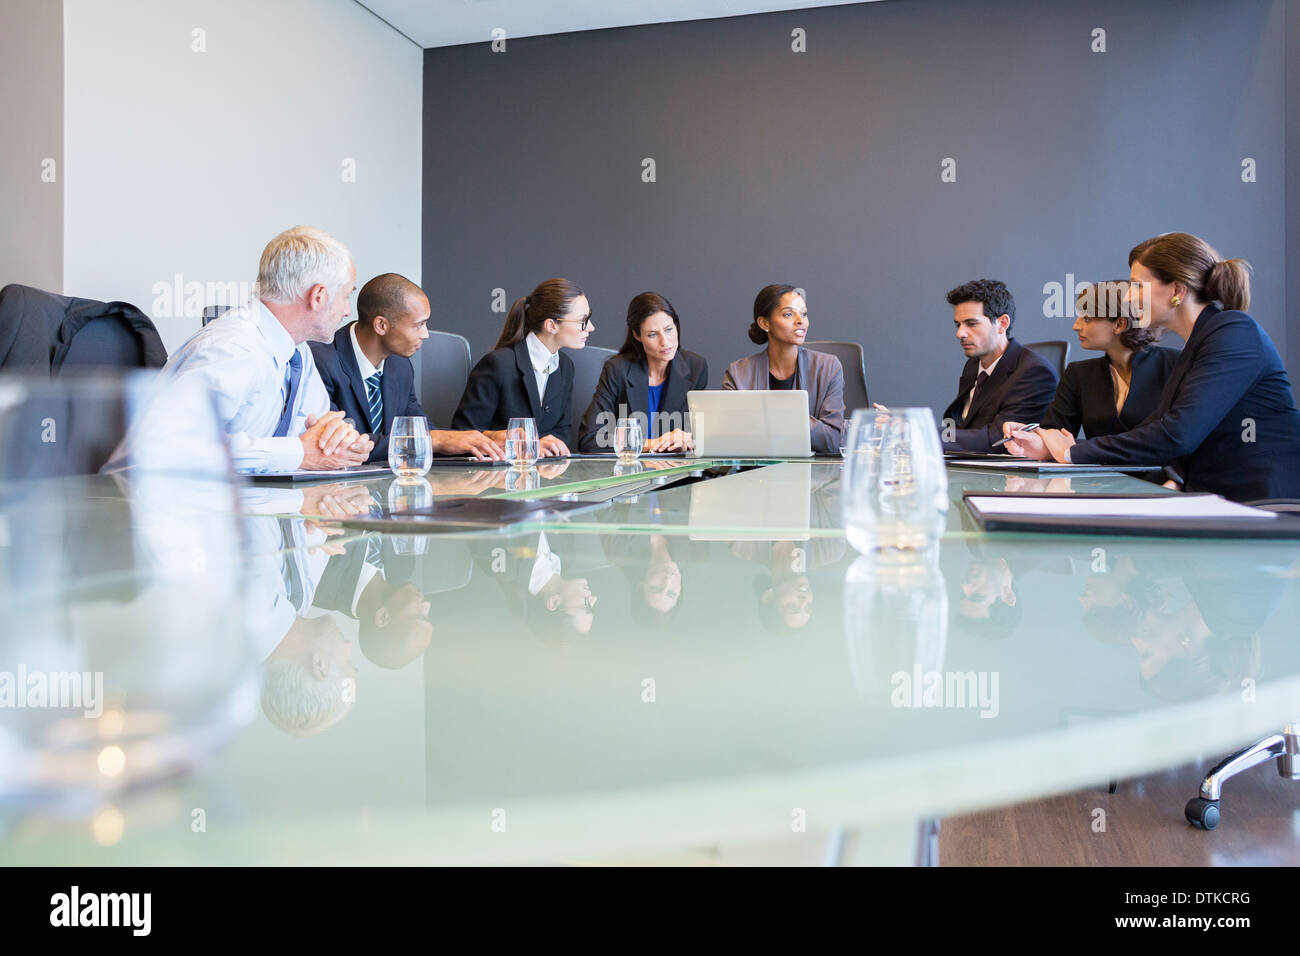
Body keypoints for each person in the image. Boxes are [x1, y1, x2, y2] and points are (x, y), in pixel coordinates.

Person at [1006, 233, 1300, 502]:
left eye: (1136, 285)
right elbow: (1154, 426)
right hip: (1217, 502)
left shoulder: (1234, 330)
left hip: (1260, 506)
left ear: (1177, 289)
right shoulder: (1199, 344)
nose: (1129, 298)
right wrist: (1047, 447)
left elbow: (1176, 434)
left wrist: (1070, 451)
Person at [145, 226, 374, 473]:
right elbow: (170, 445)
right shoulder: (233, 348)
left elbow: (314, 430)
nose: (347, 312)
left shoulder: (298, 352)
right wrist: (298, 453)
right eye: (345, 296)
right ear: (318, 296)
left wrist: (338, 443)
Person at [309, 273, 503, 462]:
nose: (425, 334)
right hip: (335, 491)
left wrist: (485, 438)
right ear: (381, 325)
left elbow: (419, 428)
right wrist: (432, 440)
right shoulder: (320, 361)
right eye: (419, 325)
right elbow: (342, 443)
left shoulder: (399, 366)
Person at [452, 278, 590, 457]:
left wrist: (550, 448)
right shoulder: (498, 364)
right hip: (496, 477)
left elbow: (561, 433)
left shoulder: (565, 366)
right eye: (583, 321)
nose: (591, 327)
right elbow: (464, 435)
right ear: (551, 325)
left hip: (543, 475)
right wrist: (531, 446)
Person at [1039, 280, 1180, 438]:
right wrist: (1029, 435)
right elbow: (1053, 434)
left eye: (1086, 318)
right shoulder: (1078, 374)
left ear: (1119, 324)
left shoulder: (1174, 365)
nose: (1075, 326)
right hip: (1097, 462)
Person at [577, 292, 708, 453]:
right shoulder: (618, 370)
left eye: (669, 330)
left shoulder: (696, 367)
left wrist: (687, 439)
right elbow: (590, 439)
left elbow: (701, 437)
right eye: (652, 334)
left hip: (677, 474)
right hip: (631, 473)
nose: (665, 342)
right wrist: (653, 444)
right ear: (637, 335)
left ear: (677, 326)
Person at [722, 284, 845, 454]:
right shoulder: (738, 373)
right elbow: (729, 438)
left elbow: (832, 440)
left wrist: (782, 415)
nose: (800, 321)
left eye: (804, 313)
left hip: (813, 474)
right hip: (755, 473)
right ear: (764, 323)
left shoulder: (829, 367)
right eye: (788, 314)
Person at [940, 279, 1058, 453]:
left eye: (971, 324)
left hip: (1014, 479)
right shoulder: (973, 365)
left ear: (1002, 323)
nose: (960, 334)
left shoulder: (1035, 372)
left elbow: (998, 439)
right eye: (958, 325)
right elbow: (964, 430)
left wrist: (919, 433)